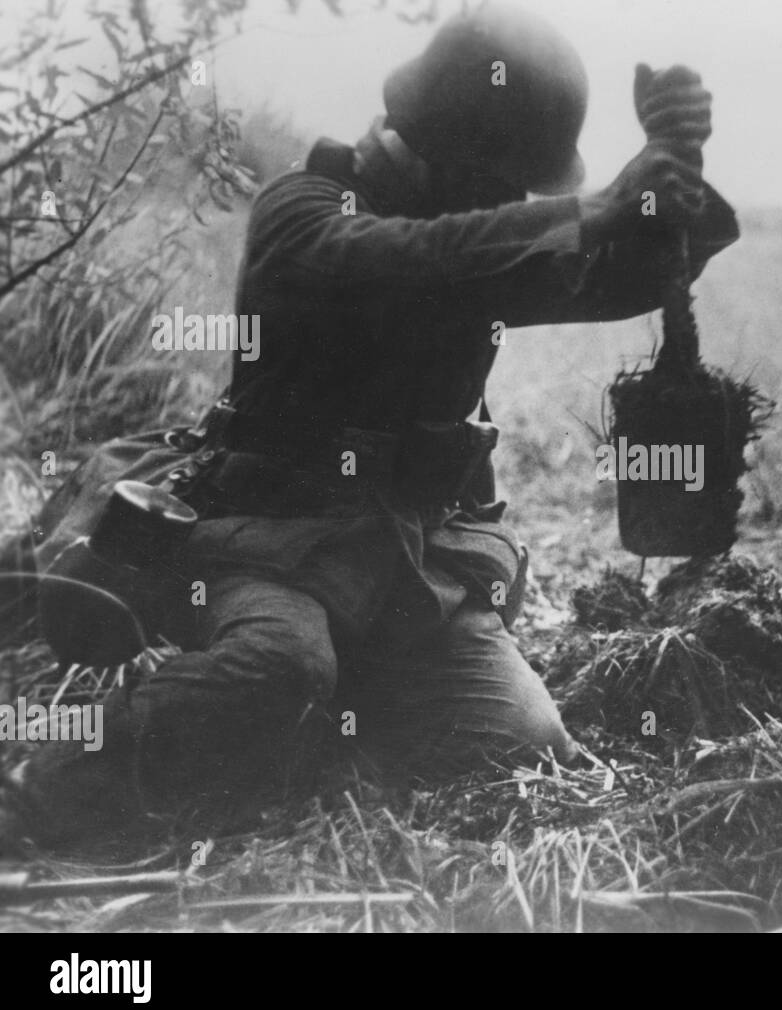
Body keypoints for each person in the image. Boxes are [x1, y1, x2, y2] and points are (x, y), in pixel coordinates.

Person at [2, 2, 738, 848]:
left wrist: (668, 183)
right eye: (502, 183)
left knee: (520, 745)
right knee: (282, 666)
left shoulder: (481, 241)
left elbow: (611, 274)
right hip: (263, 543)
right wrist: (588, 209)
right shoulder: (305, 213)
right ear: (442, 158)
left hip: (407, 569)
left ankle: (312, 725)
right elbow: (414, 258)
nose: (515, 202)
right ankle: (42, 788)